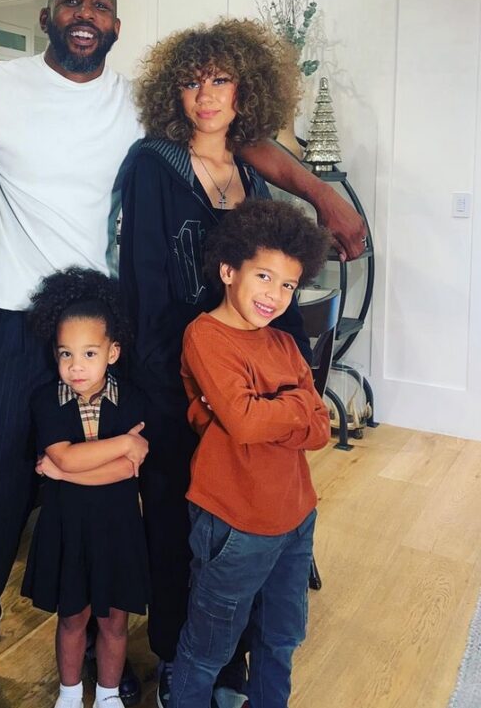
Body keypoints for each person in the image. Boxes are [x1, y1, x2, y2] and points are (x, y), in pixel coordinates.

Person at [0, 0, 367, 702]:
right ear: (49, 16)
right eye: (72, 2)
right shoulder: (2, 85)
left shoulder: (136, 108)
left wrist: (319, 193)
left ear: (116, 27)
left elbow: (236, 142)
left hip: (97, 333)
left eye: (102, 5)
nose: (86, 14)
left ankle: (107, 655)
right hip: (12, 324)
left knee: (109, 499)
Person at [119, 19, 316, 706]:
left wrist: (292, 382)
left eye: (220, 79)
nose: (206, 94)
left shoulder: (251, 172)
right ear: (175, 91)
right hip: (180, 384)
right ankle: (179, 660)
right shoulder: (154, 164)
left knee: (243, 532)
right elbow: (142, 283)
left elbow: (274, 289)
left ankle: (232, 662)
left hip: (249, 384)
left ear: (245, 90)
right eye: (193, 80)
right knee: (179, 528)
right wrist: (159, 396)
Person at [170, 198, 331, 707]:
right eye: (264, 277)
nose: (276, 295)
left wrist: (272, 412)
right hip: (234, 522)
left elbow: (322, 427)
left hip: (296, 515)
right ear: (228, 270)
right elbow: (242, 420)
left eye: (288, 285)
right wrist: (294, 408)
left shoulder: (283, 345)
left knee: (280, 639)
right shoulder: (205, 336)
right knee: (207, 649)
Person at [22, 267, 151, 708]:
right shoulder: (47, 400)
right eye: (65, 354)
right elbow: (68, 455)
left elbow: (125, 472)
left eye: (89, 353)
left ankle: (110, 694)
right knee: (72, 617)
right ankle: (70, 693)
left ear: (112, 352)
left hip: (118, 528)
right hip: (68, 528)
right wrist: (123, 444)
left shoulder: (132, 399)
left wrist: (64, 474)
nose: (76, 367)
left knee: (115, 621)